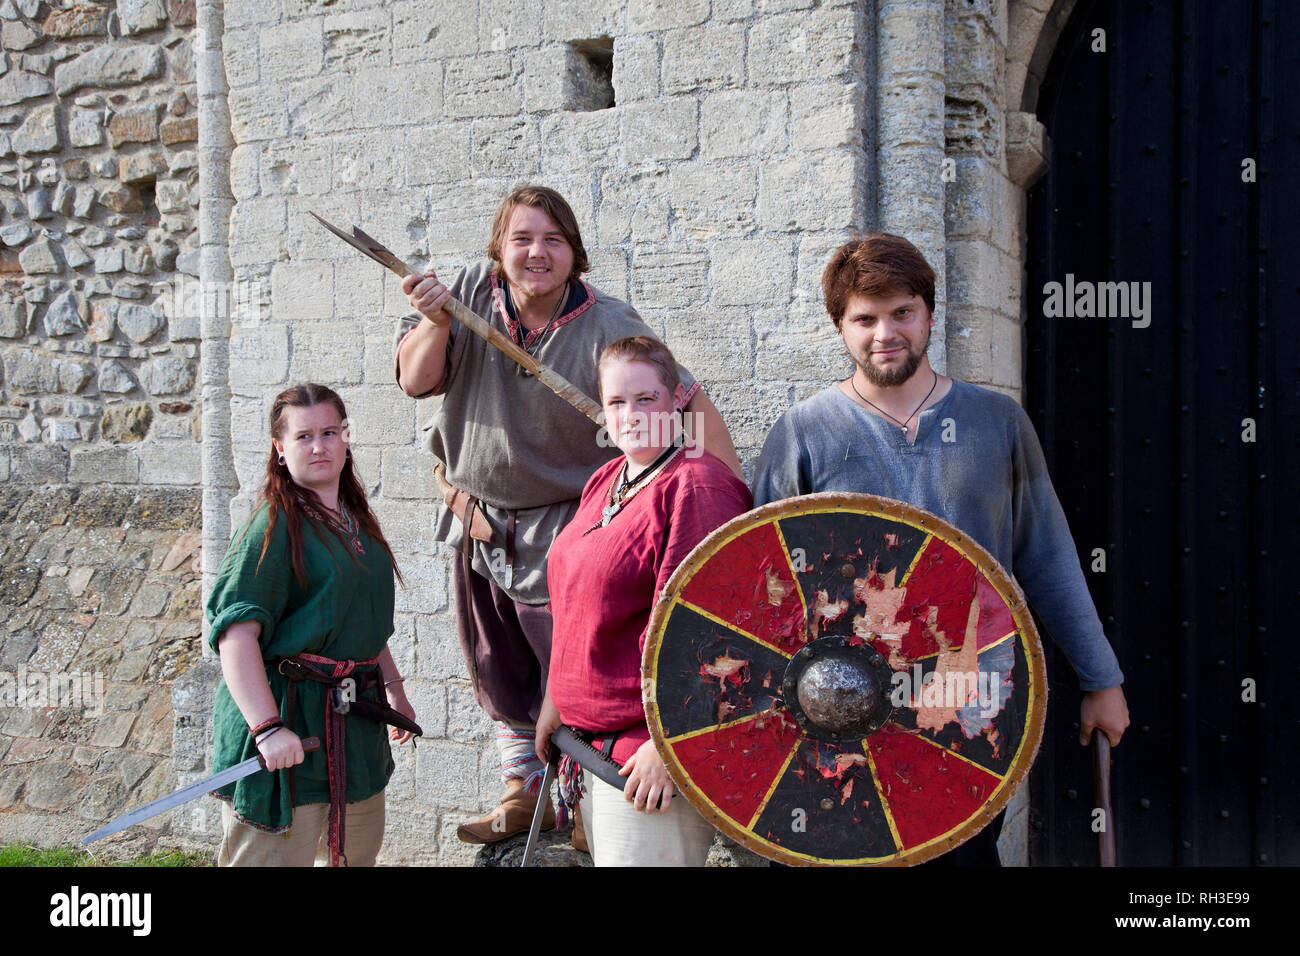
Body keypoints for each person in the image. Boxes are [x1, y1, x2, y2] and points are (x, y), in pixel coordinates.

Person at [752, 233, 1130, 866]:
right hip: (839, 705)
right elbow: (765, 585)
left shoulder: (996, 421)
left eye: (902, 312)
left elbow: (1046, 554)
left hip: (972, 703)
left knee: (963, 858)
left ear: (929, 313)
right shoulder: (803, 432)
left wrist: (1101, 678)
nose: (884, 333)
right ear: (840, 327)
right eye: (864, 319)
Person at [394, 185, 741, 844]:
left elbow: (684, 397)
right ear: (499, 247)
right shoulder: (463, 291)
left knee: (577, 669)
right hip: (478, 516)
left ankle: (584, 806)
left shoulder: (608, 323)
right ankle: (525, 792)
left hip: (568, 523)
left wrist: (719, 495)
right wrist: (436, 320)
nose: (537, 253)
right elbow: (415, 380)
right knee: (498, 663)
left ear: (574, 252)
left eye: (553, 240)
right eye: (522, 238)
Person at [536, 336, 752, 865]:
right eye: (616, 402)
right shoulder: (606, 480)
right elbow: (576, 604)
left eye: (646, 399)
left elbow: (712, 631)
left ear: (678, 398)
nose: (630, 415)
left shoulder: (698, 486)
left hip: (648, 756)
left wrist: (671, 746)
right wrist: (554, 701)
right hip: (587, 743)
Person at [206, 383, 418, 866]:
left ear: (346, 439)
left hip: (354, 725)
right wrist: (266, 728)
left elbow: (361, 620)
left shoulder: (356, 519)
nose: (319, 446)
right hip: (289, 723)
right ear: (280, 450)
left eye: (329, 432)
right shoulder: (272, 525)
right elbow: (235, 635)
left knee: (355, 855)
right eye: (303, 437)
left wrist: (392, 687)